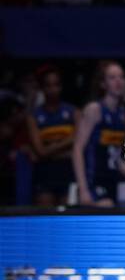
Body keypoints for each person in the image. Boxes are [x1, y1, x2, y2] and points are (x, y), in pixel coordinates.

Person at [71, 61, 125, 207]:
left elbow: (117, 157)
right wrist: (83, 189)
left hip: (112, 182)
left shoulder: (123, 116)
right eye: (112, 77)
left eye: (121, 77)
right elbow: (77, 149)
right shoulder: (94, 110)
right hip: (93, 182)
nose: (118, 81)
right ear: (103, 84)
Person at [25, 66, 79, 206]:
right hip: (45, 175)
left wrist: (50, 151)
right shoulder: (34, 117)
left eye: (56, 85)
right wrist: (68, 144)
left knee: (69, 220)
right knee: (45, 219)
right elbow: (40, 151)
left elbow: (79, 143)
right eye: (48, 85)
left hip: (69, 172)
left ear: (61, 87)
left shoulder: (73, 112)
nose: (52, 89)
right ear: (42, 88)